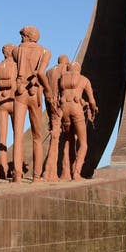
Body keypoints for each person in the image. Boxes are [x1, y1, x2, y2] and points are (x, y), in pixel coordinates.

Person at [11, 26, 51, 184]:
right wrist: (48, 90)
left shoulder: (17, 50)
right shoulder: (45, 52)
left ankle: (17, 176)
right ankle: (36, 176)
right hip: (35, 94)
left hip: (20, 93)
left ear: (27, 36)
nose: (21, 38)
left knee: (18, 135)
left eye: (22, 35)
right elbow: (41, 73)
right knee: (37, 136)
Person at [58, 62, 97, 180]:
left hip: (64, 109)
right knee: (83, 143)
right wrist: (93, 109)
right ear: (78, 69)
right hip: (76, 109)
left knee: (68, 141)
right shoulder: (84, 80)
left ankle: (65, 173)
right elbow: (92, 101)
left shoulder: (61, 79)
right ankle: (76, 172)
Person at [42, 54, 70, 182]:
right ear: (65, 62)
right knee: (57, 137)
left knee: (55, 134)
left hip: (49, 104)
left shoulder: (49, 72)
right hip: (59, 104)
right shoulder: (64, 70)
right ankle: (50, 171)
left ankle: (51, 170)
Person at [0, 44, 17, 180]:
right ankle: (15, 169)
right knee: (17, 136)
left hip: (0, 100)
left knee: (1, 136)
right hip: (13, 101)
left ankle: (2, 169)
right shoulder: (16, 66)